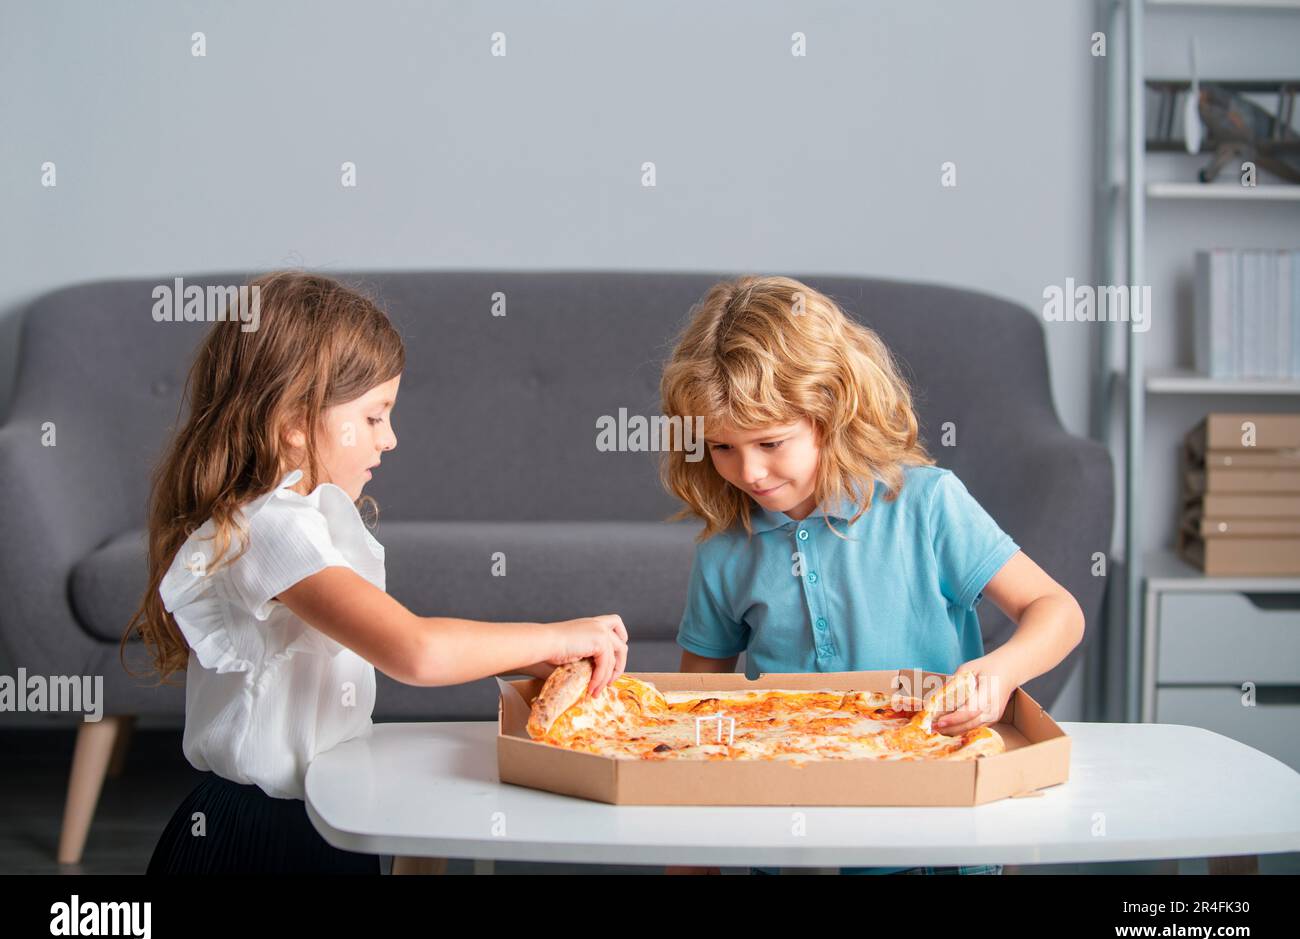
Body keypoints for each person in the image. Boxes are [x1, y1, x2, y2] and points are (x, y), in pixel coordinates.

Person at [125, 270, 627, 873]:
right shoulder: (273, 529)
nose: (389, 438)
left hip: (314, 818)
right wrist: (555, 635)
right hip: (261, 841)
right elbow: (413, 650)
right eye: (373, 416)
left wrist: (530, 661)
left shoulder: (296, 520)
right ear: (292, 422)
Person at [656, 275, 1085, 875]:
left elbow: (1057, 610)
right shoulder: (725, 550)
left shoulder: (927, 504)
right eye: (723, 448)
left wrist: (999, 671)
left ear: (832, 411)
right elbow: (694, 715)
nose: (749, 471)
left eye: (771, 442)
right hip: (788, 840)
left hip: (935, 834)